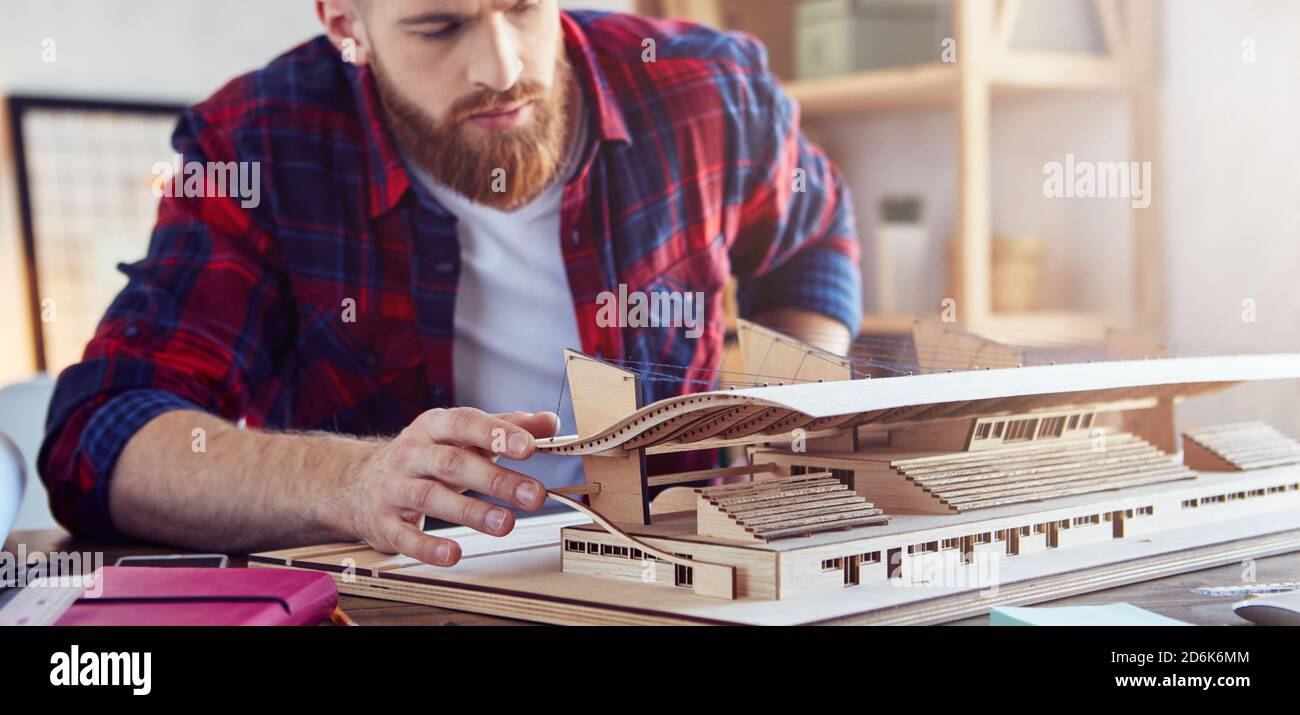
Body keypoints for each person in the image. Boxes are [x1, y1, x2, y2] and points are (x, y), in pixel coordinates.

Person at [39, 0, 862, 567]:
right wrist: (351, 483)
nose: (501, 67)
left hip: (686, 580)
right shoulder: (256, 146)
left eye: (524, 7)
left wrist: (787, 412)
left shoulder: (708, 93)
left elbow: (814, 235)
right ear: (344, 23)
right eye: (440, 25)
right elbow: (103, 433)